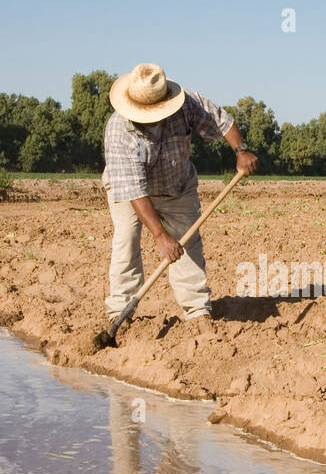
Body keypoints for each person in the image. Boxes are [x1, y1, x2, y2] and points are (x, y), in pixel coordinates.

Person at [102, 63, 258, 323]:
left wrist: (241, 150)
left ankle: (197, 310)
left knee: (187, 242)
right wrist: (161, 236)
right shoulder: (119, 132)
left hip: (177, 185)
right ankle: (120, 311)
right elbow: (135, 190)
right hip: (131, 191)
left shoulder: (186, 103)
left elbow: (220, 120)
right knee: (126, 239)